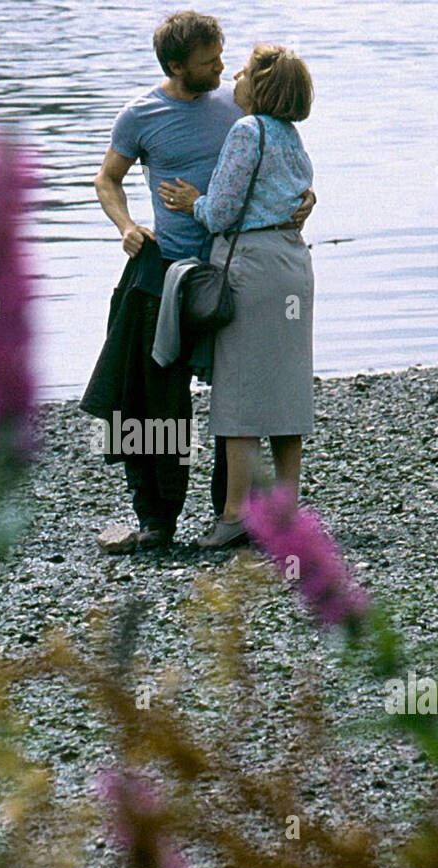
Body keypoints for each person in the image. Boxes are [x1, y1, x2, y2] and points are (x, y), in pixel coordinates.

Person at [81, 11, 315, 553]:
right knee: (150, 399)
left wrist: (303, 198)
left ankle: (233, 513)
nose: (222, 67)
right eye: (210, 61)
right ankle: (157, 519)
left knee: (237, 389)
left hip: (229, 272)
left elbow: (282, 153)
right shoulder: (140, 115)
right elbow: (106, 179)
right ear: (176, 65)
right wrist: (126, 226)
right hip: (165, 269)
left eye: (222, 56)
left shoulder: (239, 106)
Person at [157, 44, 316, 549]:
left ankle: (232, 515)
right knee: (288, 391)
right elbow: (299, 195)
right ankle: (286, 511)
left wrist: (191, 203)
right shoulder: (291, 136)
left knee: (241, 390)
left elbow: (223, 211)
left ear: (261, 87)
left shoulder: (246, 131)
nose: (235, 80)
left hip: (252, 265)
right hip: (293, 263)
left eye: (244, 73)